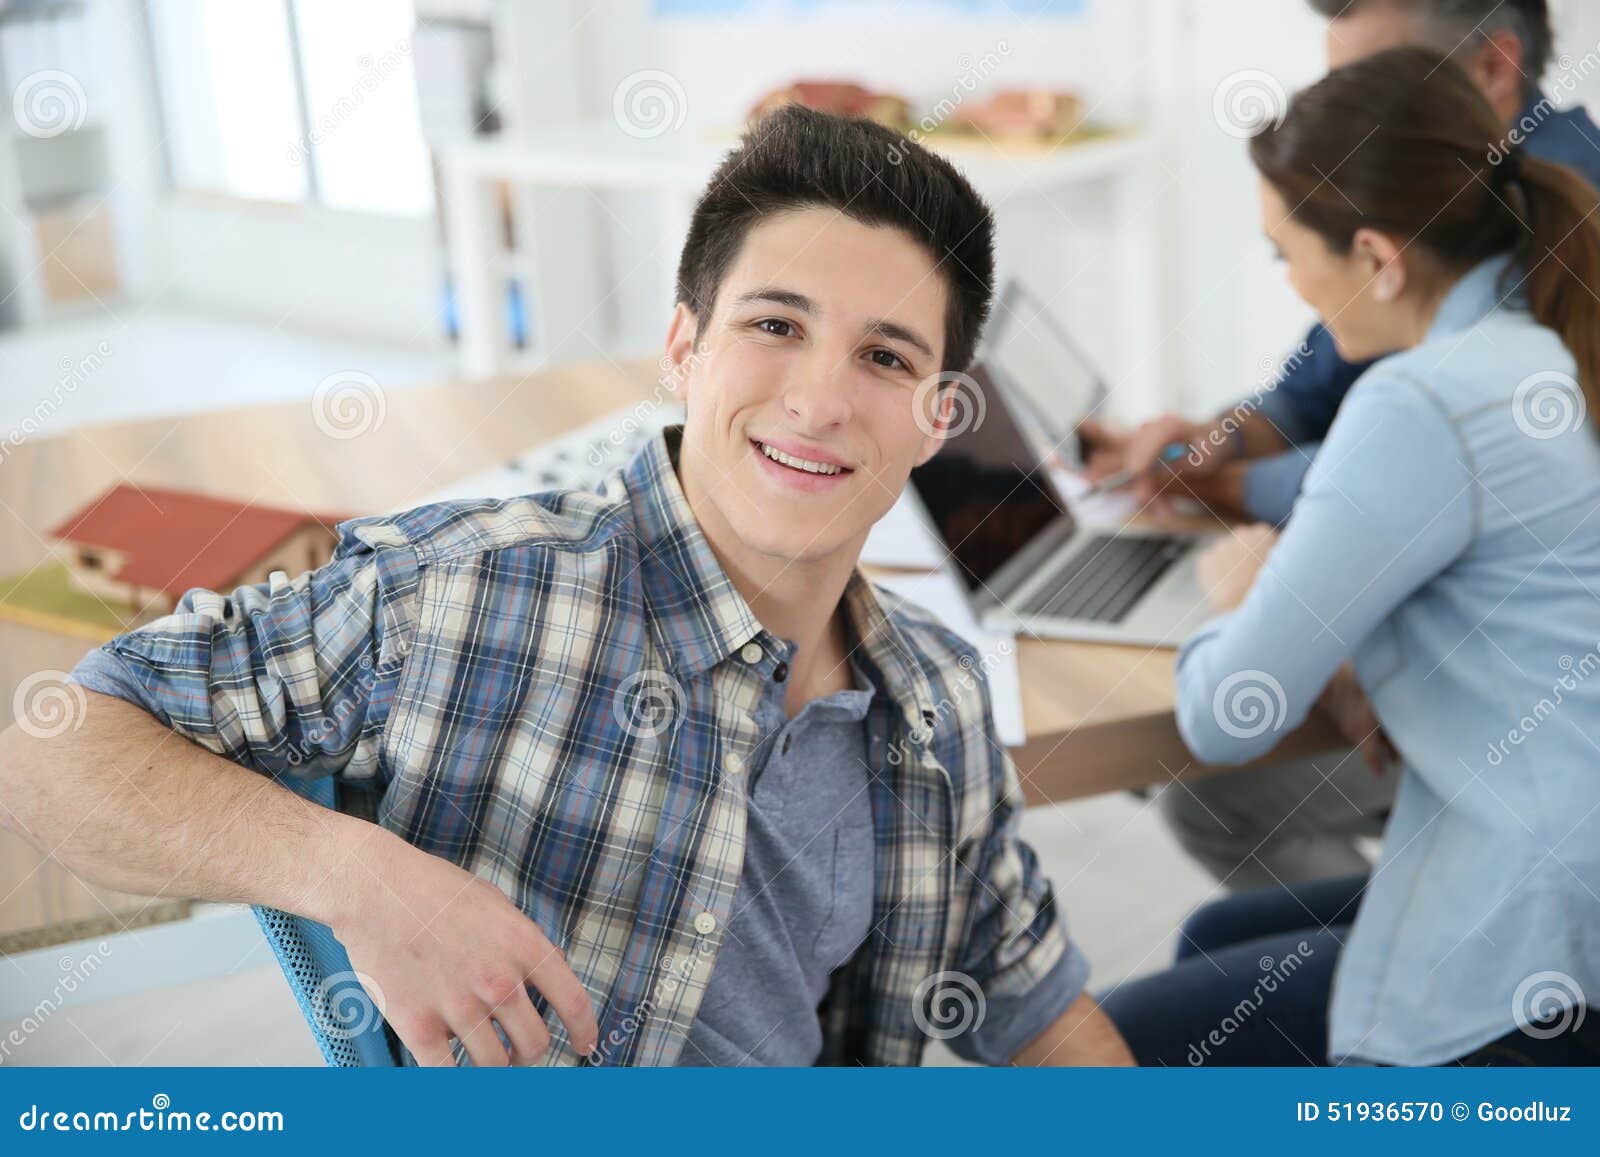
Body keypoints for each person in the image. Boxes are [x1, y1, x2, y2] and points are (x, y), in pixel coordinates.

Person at [0, 106, 1133, 1068]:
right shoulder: (468, 594)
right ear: (683, 347)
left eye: (886, 356)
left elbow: (1031, 1004)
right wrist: (355, 875)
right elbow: (54, 741)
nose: (821, 399)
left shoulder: (935, 698)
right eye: (774, 325)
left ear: (939, 416)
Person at [1102, 46, 1600, 1066]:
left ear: (1377, 255)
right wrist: (1373, 654)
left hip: (1538, 942)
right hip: (1564, 871)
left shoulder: (1422, 401)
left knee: (1097, 1049)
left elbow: (1223, 714)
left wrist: (1235, 594)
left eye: (1286, 253)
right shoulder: (1548, 339)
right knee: (1215, 937)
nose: (1290, 282)